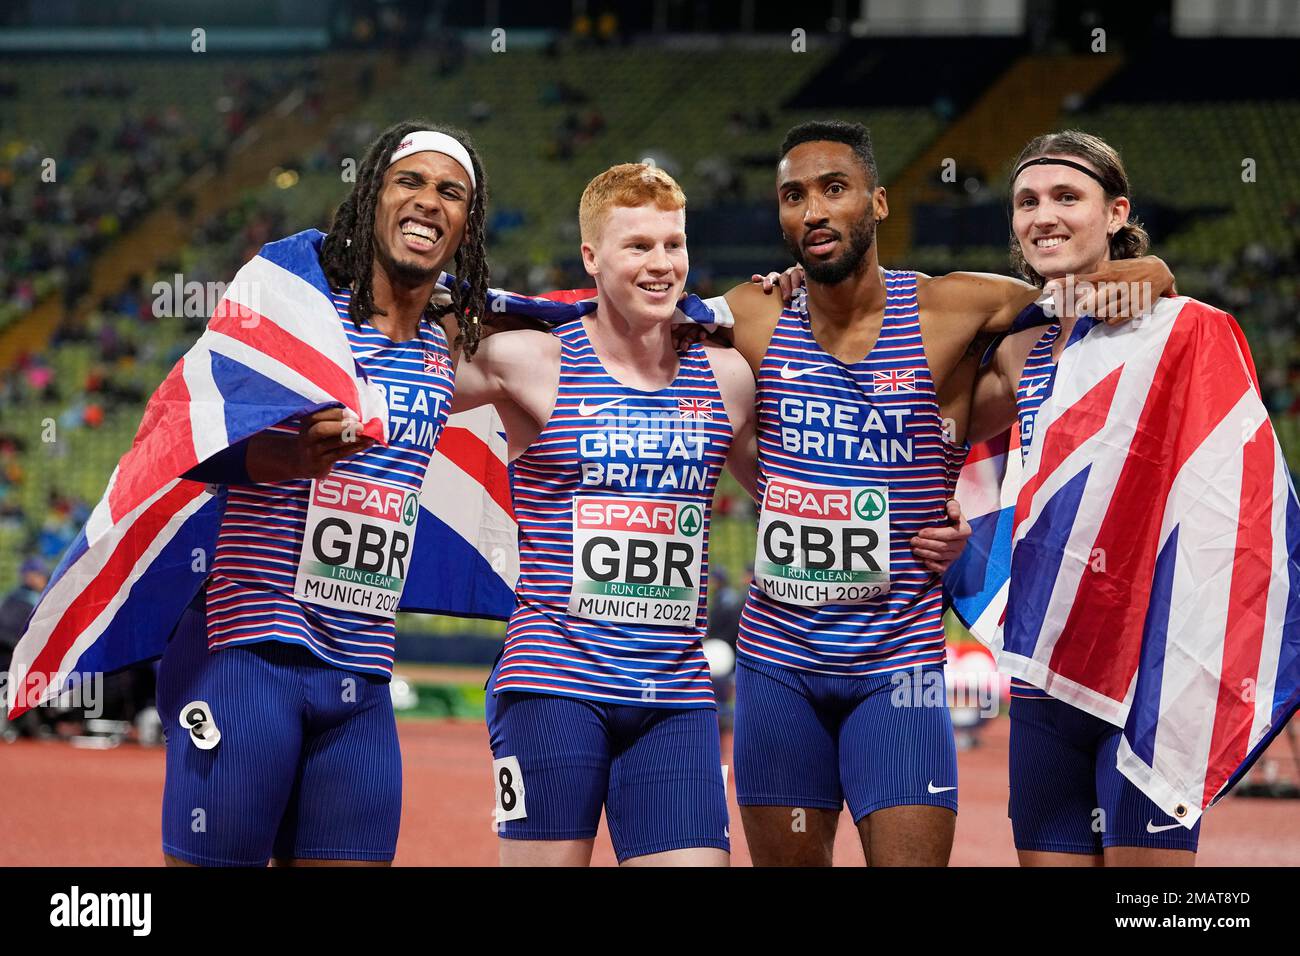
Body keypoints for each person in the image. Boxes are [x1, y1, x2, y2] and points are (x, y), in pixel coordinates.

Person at [715, 120, 1175, 866]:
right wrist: (776, 490)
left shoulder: (955, 308)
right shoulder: (754, 313)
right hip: (776, 668)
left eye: (835, 189)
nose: (815, 211)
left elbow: (1108, 296)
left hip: (900, 672)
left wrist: (1149, 273)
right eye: (794, 196)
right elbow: (649, 340)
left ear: (879, 202)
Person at [157, 120, 489, 866]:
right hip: (251, 653)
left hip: (362, 674)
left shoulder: (452, 339)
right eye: (410, 181)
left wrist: (729, 311)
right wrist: (290, 453)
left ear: (468, 221)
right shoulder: (297, 311)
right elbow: (186, 434)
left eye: (450, 191)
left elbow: (583, 317)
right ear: (372, 193)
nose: (428, 201)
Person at [454, 163, 754, 866]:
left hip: (676, 691)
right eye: (638, 246)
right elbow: (393, 380)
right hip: (551, 682)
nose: (661, 264)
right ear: (591, 257)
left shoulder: (729, 376)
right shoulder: (529, 360)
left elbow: (790, 491)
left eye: (672, 245)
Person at [967, 130, 1199, 866]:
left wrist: (1151, 273)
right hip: (1044, 668)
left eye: (1068, 197)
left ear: (1115, 211)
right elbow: (933, 429)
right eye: (1027, 201)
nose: (1044, 215)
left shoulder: (1177, 329)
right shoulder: (1015, 343)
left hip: (1148, 668)